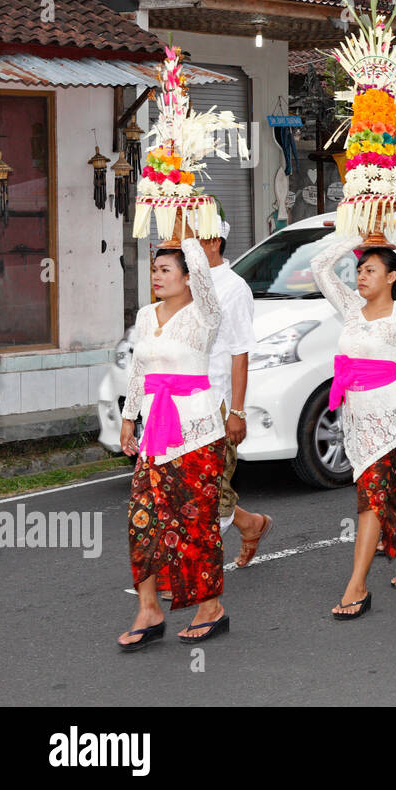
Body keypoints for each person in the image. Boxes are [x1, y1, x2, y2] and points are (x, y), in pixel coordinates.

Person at [310, 239, 396, 620]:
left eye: (370, 270)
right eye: (359, 270)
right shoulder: (352, 308)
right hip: (353, 417)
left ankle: (357, 585)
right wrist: (354, 237)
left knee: (370, 497)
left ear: (391, 277)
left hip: (388, 419)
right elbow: (320, 267)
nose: (361, 276)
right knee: (381, 494)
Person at [119, 237, 229, 649]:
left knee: (195, 523)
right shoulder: (147, 315)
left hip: (197, 432)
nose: (157, 276)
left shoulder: (205, 313)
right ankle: (149, 609)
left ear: (187, 277)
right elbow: (138, 369)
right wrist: (130, 416)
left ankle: (211, 607)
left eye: (166, 270)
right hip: (155, 434)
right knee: (141, 521)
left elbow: (203, 271)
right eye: (155, 269)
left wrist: (185, 228)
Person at [199, 221, 273, 568]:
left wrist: (237, 412)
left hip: (217, 397)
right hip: (184, 399)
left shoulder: (234, 288)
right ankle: (251, 523)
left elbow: (240, 352)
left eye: (194, 240)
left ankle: (199, 567)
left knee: (215, 482)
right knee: (199, 482)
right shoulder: (187, 281)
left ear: (214, 241)